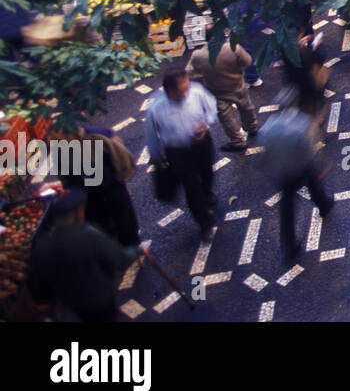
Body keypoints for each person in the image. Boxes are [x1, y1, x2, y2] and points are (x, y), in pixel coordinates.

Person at [27, 190, 141, 322]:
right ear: (78, 214)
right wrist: (138, 250)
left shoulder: (43, 247)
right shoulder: (89, 236)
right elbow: (120, 259)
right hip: (101, 298)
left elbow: (41, 286)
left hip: (76, 304)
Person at [144, 67, 219, 241]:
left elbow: (211, 107)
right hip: (177, 152)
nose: (188, 88)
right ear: (171, 90)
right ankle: (205, 224)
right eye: (184, 86)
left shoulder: (197, 92)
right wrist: (156, 156)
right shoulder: (156, 108)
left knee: (207, 172)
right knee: (191, 187)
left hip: (201, 144)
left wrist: (206, 124)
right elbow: (151, 134)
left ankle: (207, 193)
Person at [259, 99, 333, 264]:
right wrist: (320, 168)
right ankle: (323, 205)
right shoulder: (300, 124)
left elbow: (265, 152)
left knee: (287, 206)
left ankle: (289, 246)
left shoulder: (268, 128)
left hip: (283, 171)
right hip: (302, 165)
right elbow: (309, 150)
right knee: (313, 185)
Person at [65, 126, 140, 248]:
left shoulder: (96, 137)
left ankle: (131, 247)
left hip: (111, 189)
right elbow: (65, 176)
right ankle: (114, 252)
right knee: (101, 227)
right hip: (90, 196)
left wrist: (121, 175)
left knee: (124, 220)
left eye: (54, 133)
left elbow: (121, 155)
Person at [187, 41, 260, 151]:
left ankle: (237, 141)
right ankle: (252, 127)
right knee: (246, 107)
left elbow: (189, 73)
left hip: (217, 91)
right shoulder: (233, 47)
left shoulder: (198, 55)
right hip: (238, 86)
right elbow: (247, 62)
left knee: (227, 118)